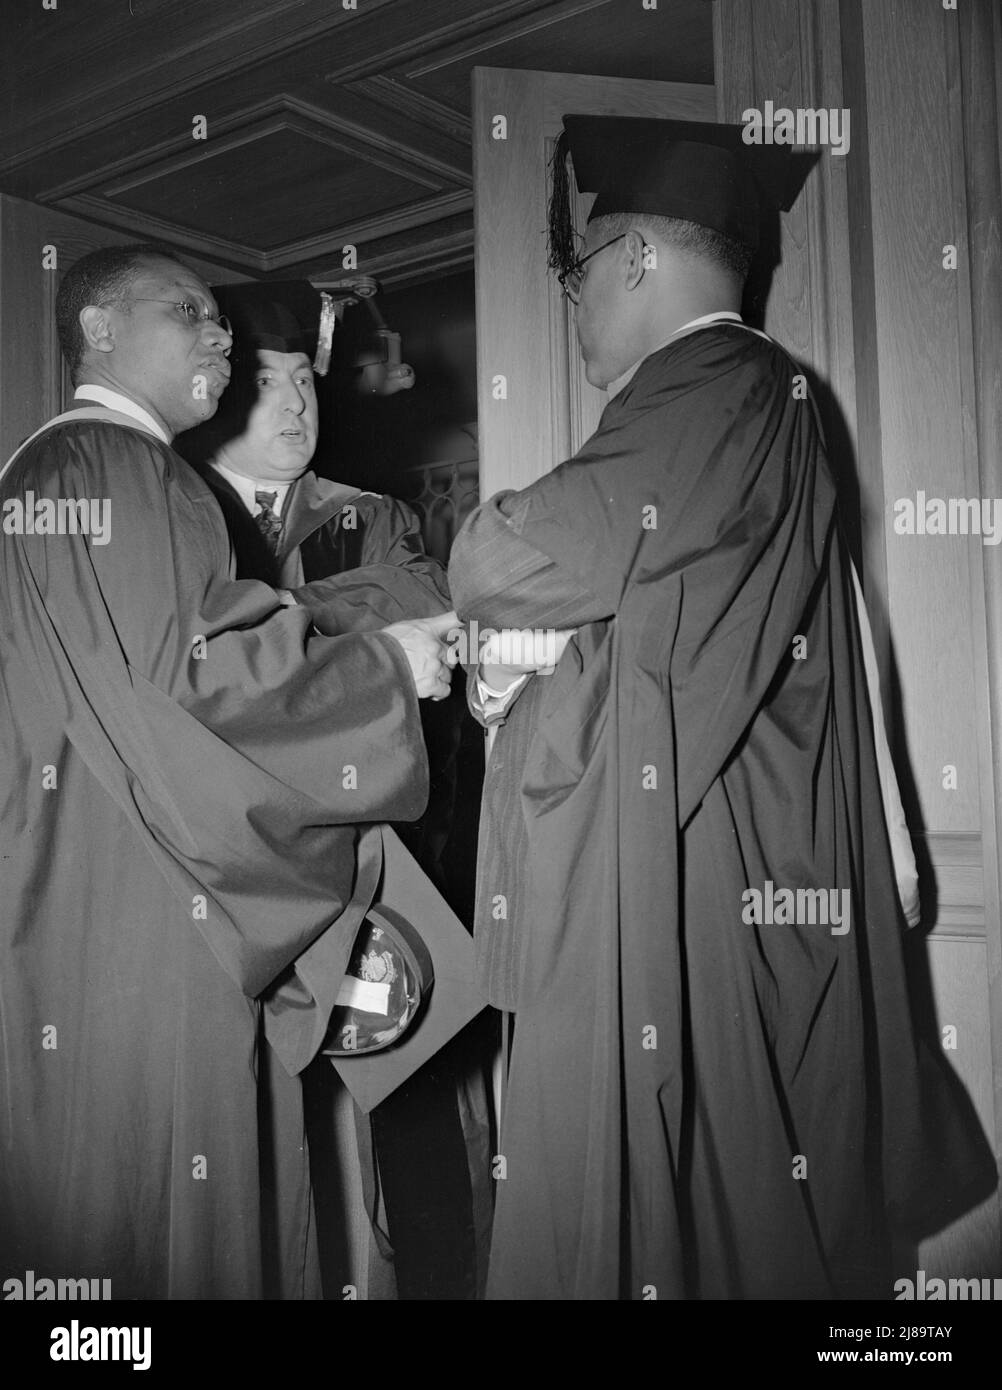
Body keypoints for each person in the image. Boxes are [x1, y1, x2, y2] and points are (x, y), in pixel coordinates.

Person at [448, 117, 995, 1300]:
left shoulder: (711, 387)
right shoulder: (780, 397)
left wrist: (510, 649)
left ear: (634, 260)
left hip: (703, 888)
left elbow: (507, 558)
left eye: (579, 274)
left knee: (705, 1216)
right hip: (751, 866)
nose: (576, 305)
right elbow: (661, 631)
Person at [0, 242, 456, 1299]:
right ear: (99, 331)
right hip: (152, 908)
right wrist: (386, 666)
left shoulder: (31, 477)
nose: (219, 334)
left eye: (222, 319)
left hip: (55, 894)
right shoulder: (126, 467)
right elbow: (205, 692)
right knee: (174, 1215)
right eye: (188, 311)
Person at [178, 281, 491, 1299]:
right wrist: (336, 624)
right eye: (267, 381)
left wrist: (277, 627)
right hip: (227, 881)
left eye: (306, 378)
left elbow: (423, 622)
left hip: (375, 871)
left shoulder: (372, 515)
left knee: (410, 1112)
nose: (297, 402)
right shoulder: (176, 521)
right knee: (255, 1135)